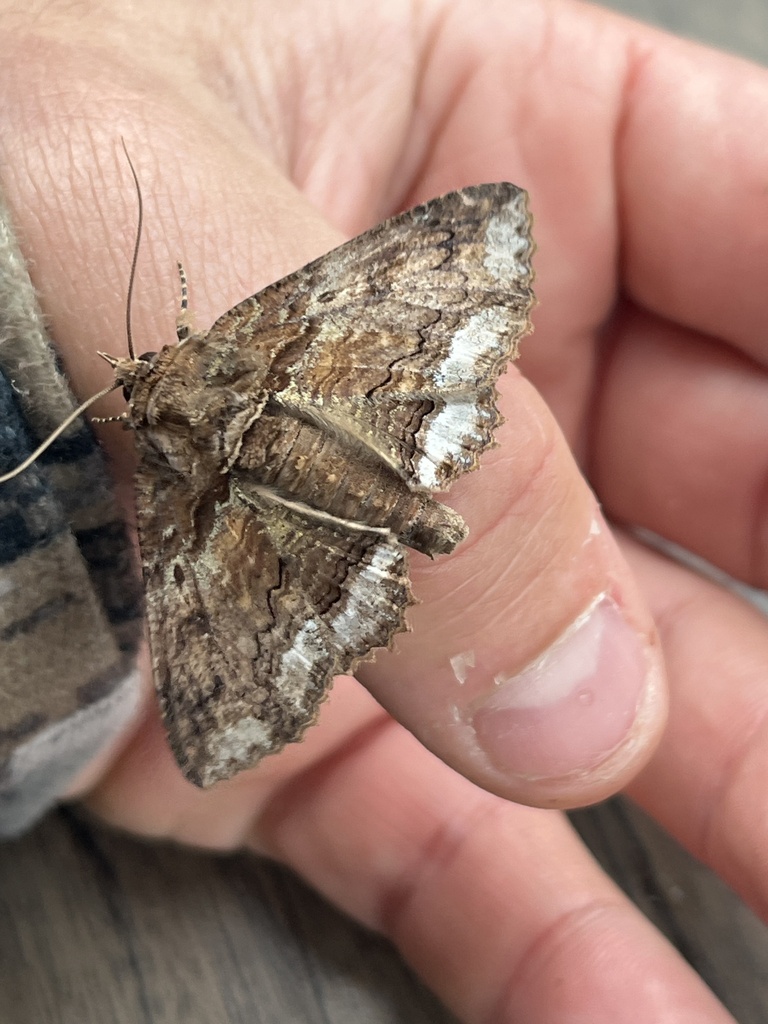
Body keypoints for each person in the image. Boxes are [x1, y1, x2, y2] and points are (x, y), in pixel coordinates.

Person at [1, 0, 765, 1020]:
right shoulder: (252, 342)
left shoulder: (177, 502)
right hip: (373, 425)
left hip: (263, 534)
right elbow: (469, 243)